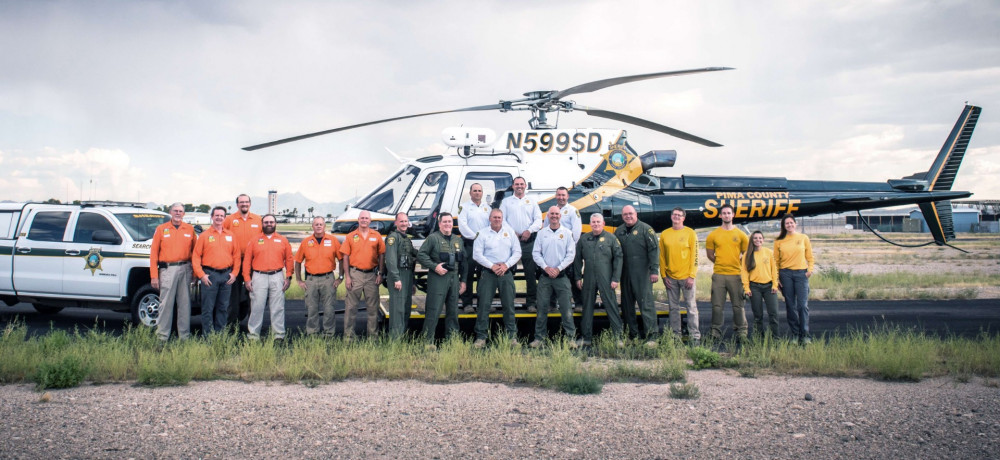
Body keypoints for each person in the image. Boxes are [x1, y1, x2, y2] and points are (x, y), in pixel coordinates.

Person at [472, 208, 521, 348]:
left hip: (506, 273)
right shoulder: (482, 234)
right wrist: (492, 266)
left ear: (502, 218)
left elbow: (517, 252)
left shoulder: (509, 232)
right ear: (490, 218)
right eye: (494, 217)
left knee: (509, 306)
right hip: (488, 274)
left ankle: (512, 337)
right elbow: (477, 255)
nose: (497, 219)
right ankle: (481, 338)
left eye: (499, 217)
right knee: (484, 306)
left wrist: (506, 265)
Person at [529, 206, 577, 348]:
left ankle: (570, 339)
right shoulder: (542, 233)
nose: (554, 216)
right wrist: (546, 268)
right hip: (545, 277)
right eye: (552, 214)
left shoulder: (567, 233)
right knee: (542, 309)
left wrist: (558, 268)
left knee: (566, 309)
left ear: (560, 216)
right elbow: (536, 253)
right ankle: (539, 339)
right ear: (548, 216)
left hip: (562, 277)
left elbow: (571, 255)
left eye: (557, 214)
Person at [614, 205, 661, 348]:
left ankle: (652, 336)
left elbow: (654, 251)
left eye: (630, 213)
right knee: (627, 306)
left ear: (636, 214)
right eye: (625, 214)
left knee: (645, 304)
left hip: (643, 273)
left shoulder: (646, 229)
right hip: (625, 273)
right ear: (622, 216)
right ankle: (632, 335)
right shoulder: (619, 231)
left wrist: (654, 270)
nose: (628, 216)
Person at [149, 202, 197, 342]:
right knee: (166, 304)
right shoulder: (162, 229)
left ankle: (184, 337)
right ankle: (162, 337)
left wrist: (194, 273)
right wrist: (154, 276)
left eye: (180, 211)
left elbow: (195, 253)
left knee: (185, 304)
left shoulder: (189, 229)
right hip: (167, 269)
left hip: (185, 269)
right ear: (170, 212)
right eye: (175, 210)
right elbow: (153, 254)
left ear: (184, 214)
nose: (178, 213)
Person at [574, 213, 623, 347]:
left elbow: (618, 258)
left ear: (603, 224)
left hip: (606, 278)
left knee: (611, 306)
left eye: (598, 222)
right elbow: (577, 259)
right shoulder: (584, 239)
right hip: (589, 277)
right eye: (593, 222)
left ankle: (618, 337)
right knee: (587, 307)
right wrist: (578, 276)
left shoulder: (611, 239)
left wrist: (615, 278)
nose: (596, 224)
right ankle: (586, 337)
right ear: (590, 224)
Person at [417, 212, 466, 348]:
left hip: (454, 279)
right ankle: (428, 342)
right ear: (439, 224)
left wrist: (463, 281)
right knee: (433, 310)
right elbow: (421, 255)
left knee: (453, 311)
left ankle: (452, 341)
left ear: (452, 223)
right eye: (444, 222)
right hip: (438, 278)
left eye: (449, 221)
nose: (447, 224)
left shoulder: (458, 240)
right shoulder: (433, 238)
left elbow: (463, 263)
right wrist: (434, 266)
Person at [242, 214, 293, 341]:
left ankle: (278, 335)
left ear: (275, 224)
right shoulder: (254, 240)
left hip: (277, 276)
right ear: (262, 224)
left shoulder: (283, 240)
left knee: (277, 307)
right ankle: (253, 335)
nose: (269, 224)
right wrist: (247, 278)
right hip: (259, 277)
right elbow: (247, 260)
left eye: (271, 222)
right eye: (266, 222)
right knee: (256, 307)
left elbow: (289, 259)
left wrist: (288, 277)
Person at [192, 206, 240, 335]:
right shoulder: (204, 236)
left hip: (226, 276)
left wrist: (234, 274)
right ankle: (208, 336)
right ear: (212, 217)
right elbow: (196, 256)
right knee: (208, 308)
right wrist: (201, 275)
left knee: (223, 308)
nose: (219, 218)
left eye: (221, 216)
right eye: (216, 215)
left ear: (225, 218)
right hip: (210, 276)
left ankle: (220, 335)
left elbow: (236, 256)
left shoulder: (230, 235)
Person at [705, 204, 750, 342]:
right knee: (717, 306)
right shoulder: (713, 235)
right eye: (724, 213)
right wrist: (721, 263)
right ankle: (715, 333)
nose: (726, 215)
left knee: (738, 306)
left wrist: (736, 263)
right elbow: (710, 254)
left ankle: (741, 333)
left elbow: (746, 254)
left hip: (736, 275)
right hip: (719, 275)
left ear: (733, 215)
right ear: (720, 215)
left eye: (729, 213)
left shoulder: (741, 235)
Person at [340, 210, 386, 341]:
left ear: (370, 221)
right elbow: (345, 257)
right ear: (358, 220)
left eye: (367, 218)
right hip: (355, 274)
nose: (364, 220)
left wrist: (380, 273)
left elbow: (382, 254)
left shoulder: (376, 236)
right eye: (362, 218)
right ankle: (348, 337)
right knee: (351, 307)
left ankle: (373, 337)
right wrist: (347, 276)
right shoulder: (350, 236)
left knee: (372, 308)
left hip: (372, 275)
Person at [658, 207, 702, 345]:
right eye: (674, 215)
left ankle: (694, 336)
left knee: (691, 307)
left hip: (687, 277)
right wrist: (664, 276)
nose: (676, 217)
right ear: (671, 217)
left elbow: (695, 256)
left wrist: (692, 276)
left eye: (679, 215)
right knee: (673, 307)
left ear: (683, 218)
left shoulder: (690, 233)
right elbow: (662, 257)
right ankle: (675, 335)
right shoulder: (665, 234)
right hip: (671, 278)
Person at [499, 176, 543, 311]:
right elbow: (502, 220)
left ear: (525, 186)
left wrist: (529, 231)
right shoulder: (506, 202)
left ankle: (531, 303)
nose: (519, 186)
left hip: (528, 242)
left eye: (522, 184)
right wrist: (513, 233)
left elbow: (538, 220)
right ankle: (508, 302)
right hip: (510, 242)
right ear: (512, 186)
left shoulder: (532, 202)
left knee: (530, 274)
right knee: (508, 273)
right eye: (517, 184)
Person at [294, 216, 342, 337]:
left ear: (325, 226)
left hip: (328, 279)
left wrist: (340, 278)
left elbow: (342, 259)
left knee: (329, 309)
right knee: (312, 309)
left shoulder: (333, 240)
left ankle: (328, 333)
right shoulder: (306, 242)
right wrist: (299, 280)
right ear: (313, 226)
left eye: (321, 224)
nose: (319, 226)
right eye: (316, 224)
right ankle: (312, 333)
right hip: (311, 280)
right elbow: (298, 261)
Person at [774, 213, 815, 345]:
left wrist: (810, 270)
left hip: (801, 274)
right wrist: (777, 278)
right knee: (790, 306)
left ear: (795, 224)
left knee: (802, 305)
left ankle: (805, 334)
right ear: (784, 226)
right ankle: (795, 334)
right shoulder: (779, 241)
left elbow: (810, 256)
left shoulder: (803, 238)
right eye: (787, 223)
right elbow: (776, 261)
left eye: (791, 223)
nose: (789, 225)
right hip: (785, 275)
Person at [223, 194, 262, 329]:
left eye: (246, 202)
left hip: (253, 262)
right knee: (233, 295)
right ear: (237, 204)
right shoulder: (229, 219)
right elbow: (221, 236)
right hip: (235, 262)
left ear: (250, 204)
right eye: (241, 202)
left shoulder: (258, 220)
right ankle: (231, 325)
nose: (244, 204)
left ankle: (253, 327)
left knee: (254, 294)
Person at [457, 183, 491, 313]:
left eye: (479, 191)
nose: (477, 193)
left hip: (484, 247)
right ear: (470, 193)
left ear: (482, 193)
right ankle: (467, 304)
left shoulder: (487, 208)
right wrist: (477, 237)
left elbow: (490, 225)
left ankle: (484, 304)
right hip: (470, 245)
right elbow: (463, 226)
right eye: (475, 191)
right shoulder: (464, 208)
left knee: (484, 276)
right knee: (468, 274)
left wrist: (484, 239)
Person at [741, 230, 779, 339]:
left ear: (763, 239)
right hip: (754, 287)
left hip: (769, 287)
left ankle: (775, 338)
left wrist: (775, 285)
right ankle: (759, 338)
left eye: (760, 238)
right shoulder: (747, 255)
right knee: (758, 315)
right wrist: (746, 288)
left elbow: (774, 270)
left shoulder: (768, 252)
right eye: (755, 238)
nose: (758, 240)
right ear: (752, 240)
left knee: (773, 314)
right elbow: (744, 272)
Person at [385, 212, 417, 338]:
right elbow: (391, 260)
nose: (404, 224)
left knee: (406, 307)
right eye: (401, 221)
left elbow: (415, 254)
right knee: (397, 308)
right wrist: (396, 278)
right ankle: (395, 339)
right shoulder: (393, 238)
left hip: (408, 275)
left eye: (406, 221)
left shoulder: (407, 239)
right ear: (396, 223)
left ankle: (402, 335)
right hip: (398, 275)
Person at [554, 186, 583, 309]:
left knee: (573, 276)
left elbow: (576, 232)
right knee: (556, 275)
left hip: (570, 250)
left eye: (563, 195)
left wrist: (569, 248)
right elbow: (546, 228)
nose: (561, 197)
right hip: (556, 251)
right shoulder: (553, 210)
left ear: (567, 196)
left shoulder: (573, 211)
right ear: (556, 196)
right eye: (559, 195)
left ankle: (579, 303)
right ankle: (553, 303)